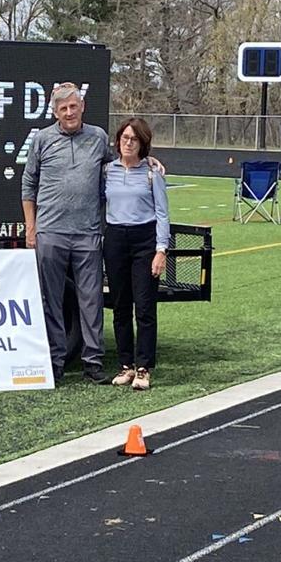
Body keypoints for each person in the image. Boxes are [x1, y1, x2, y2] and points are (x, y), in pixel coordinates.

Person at [21, 82, 114, 383]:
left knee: (91, 300)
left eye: (74, 106)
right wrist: (31, 228)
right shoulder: (42, 140)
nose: (70, 112)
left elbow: (116, 171)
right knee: (52, 299)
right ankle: (55, 360)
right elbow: (28, 185)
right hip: (50, 233)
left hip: (87, 234)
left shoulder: (98, 137)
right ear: (55, 112)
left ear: (82, 107)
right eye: (63, 108)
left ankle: (93, 361)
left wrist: (147, 162)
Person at [104, 118, 170, 391]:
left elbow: (162, 214)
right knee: (120, 307)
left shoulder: (152, 173)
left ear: (143, 144)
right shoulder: (107, 171)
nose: (128, 142)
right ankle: (125, 365)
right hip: (115, 238)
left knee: (144, 307)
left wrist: (160, 250)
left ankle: (143, 368)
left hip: (144, 240)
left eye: (134, 139)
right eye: (124, 137)